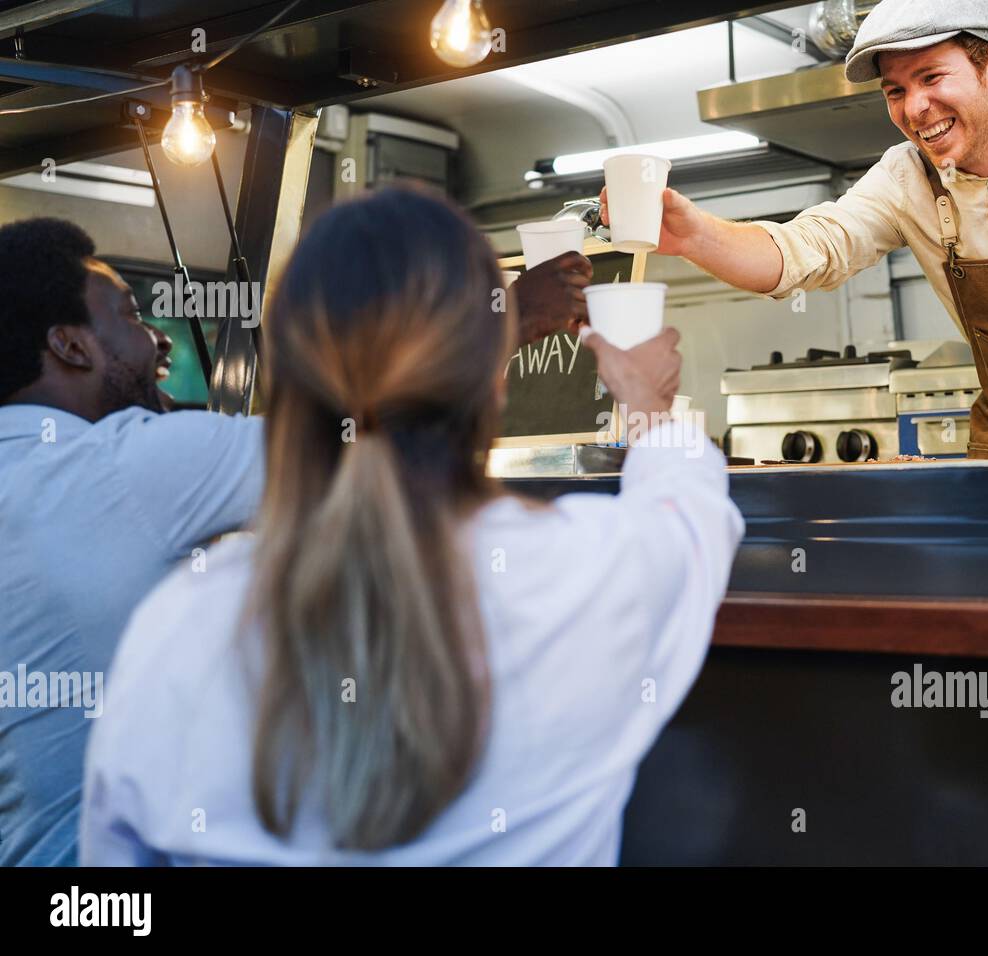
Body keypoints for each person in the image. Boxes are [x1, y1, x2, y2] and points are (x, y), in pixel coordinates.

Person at [80, 184, 744, 866]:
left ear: (287, 376)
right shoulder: (588, 577)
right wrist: (649, 404)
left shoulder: (178, 627)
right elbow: (688, 512)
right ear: (496, 379)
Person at [0, 216, 591, 866]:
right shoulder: (122, 465)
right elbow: (364, 433)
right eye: (131, 317)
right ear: (71, 347)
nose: (156, 341)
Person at [600, 0, 988, 458]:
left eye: (931, 77)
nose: (916, 107)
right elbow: (806, 250)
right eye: (895, 90)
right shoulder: (905, 176)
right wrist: (694, 235)